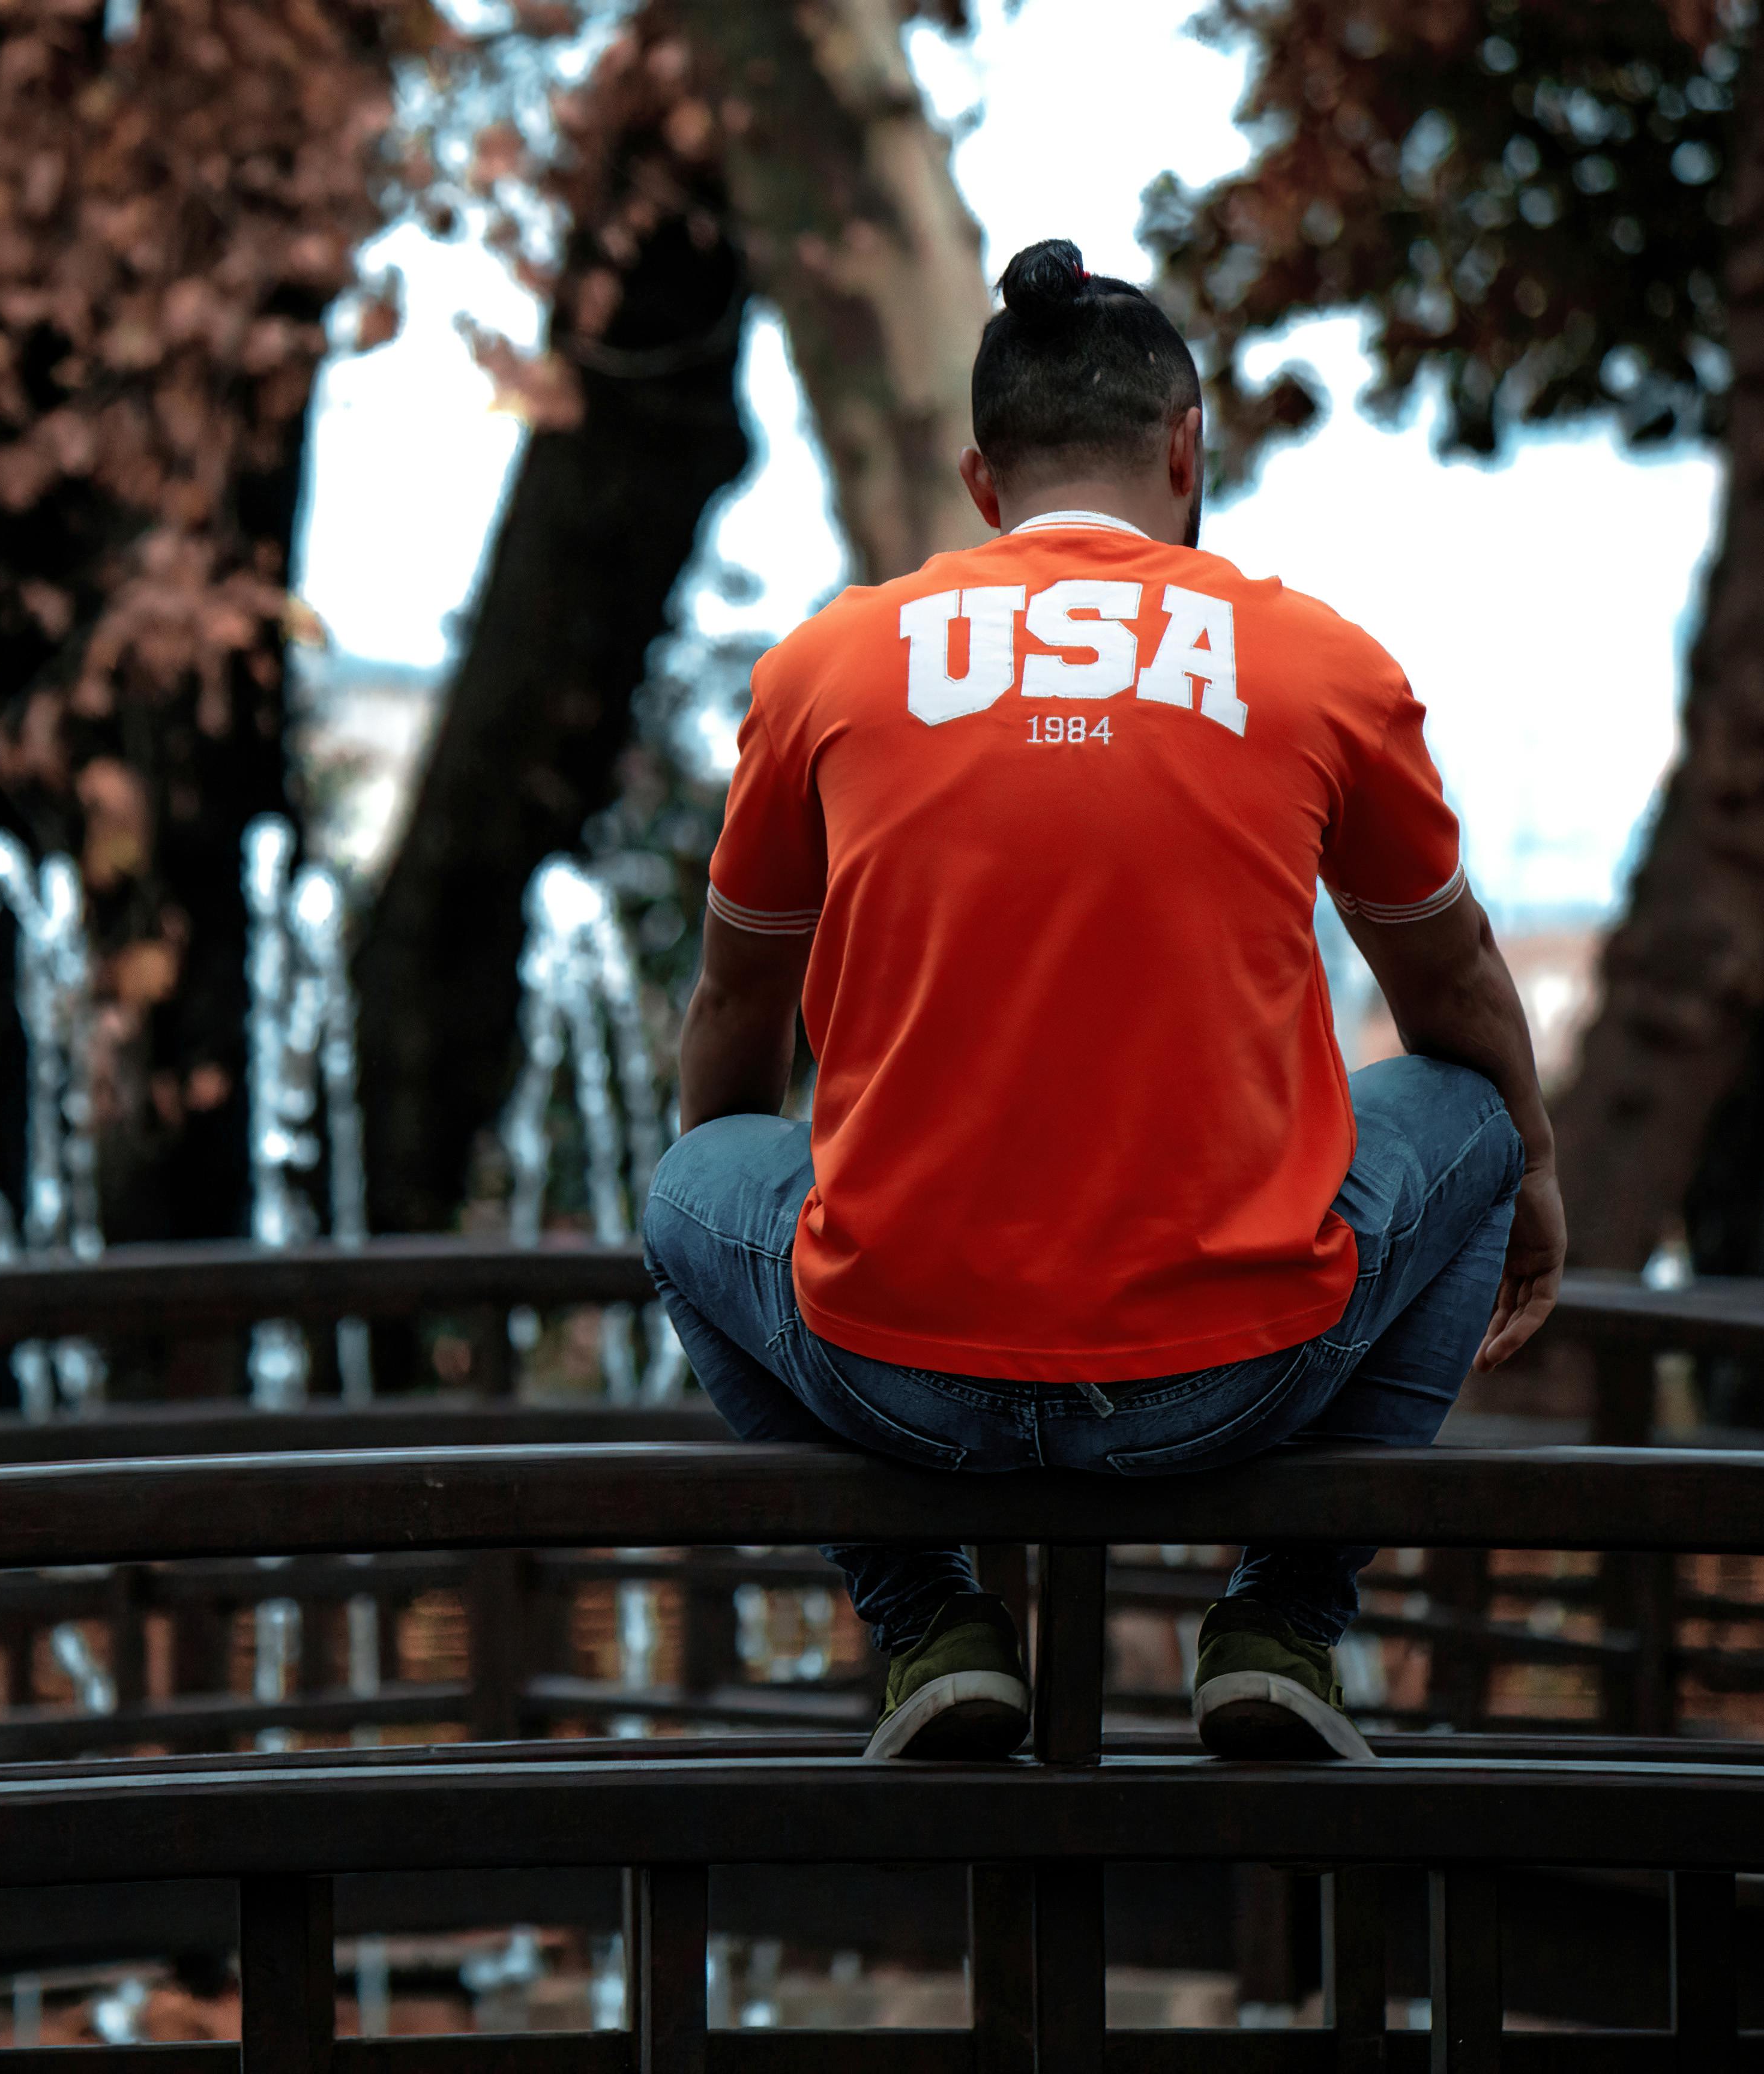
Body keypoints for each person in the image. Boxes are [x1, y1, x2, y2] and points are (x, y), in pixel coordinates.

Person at [642, 237, 1565, 1764]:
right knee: (1466, 1112)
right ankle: (1281, 1623)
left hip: (898, 1378)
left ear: (982, 480)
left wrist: (796, 1252)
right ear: (1188, 450)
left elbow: (735, 1008)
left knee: (688, 1185)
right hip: (1228, 1382)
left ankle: (926, 1623)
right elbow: (1454, 984)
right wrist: (1530, 1176)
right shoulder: (1319, 668)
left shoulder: (826, 668)